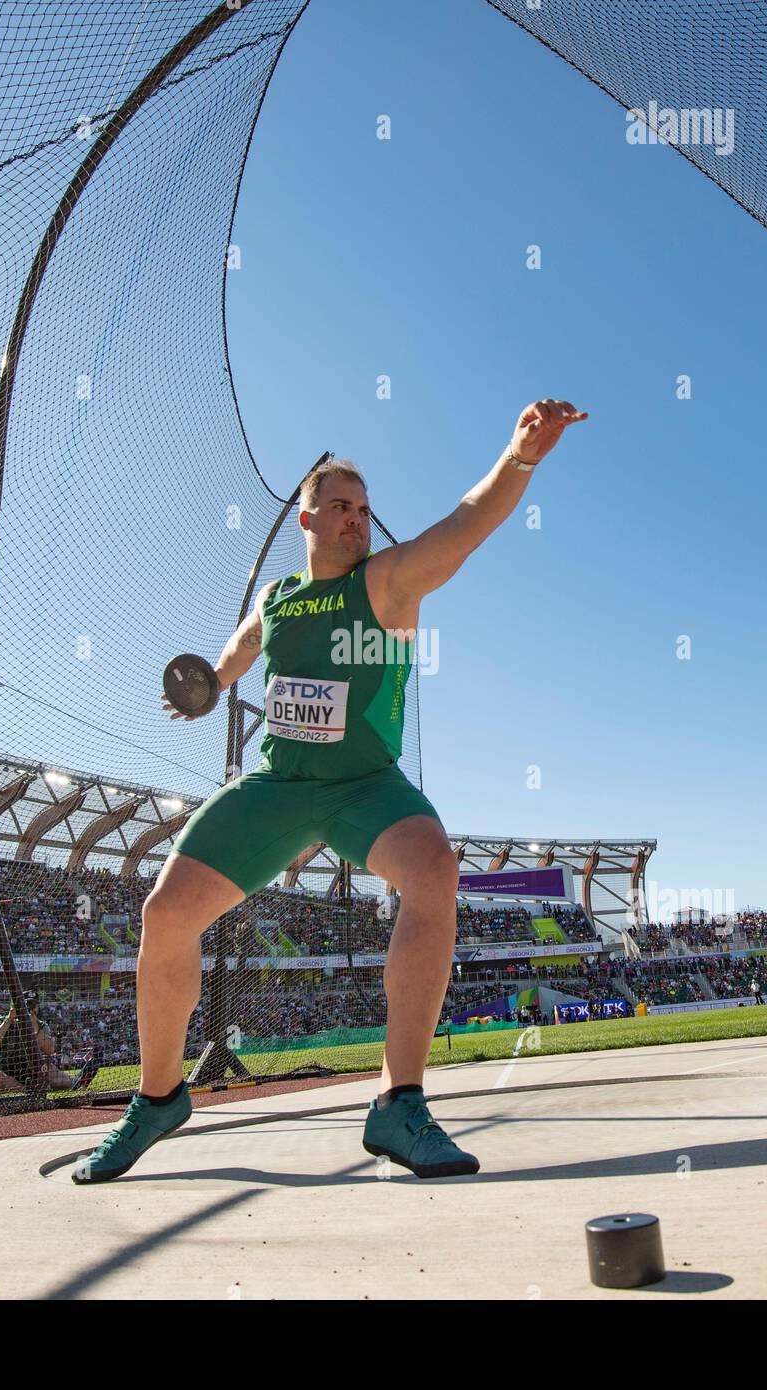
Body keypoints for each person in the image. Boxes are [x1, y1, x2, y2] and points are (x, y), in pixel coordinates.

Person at [73, 399, 588, 1185]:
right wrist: (211, 679)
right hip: (281, 784)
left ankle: (398, 1102)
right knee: (164, 913)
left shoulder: (386, 583)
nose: (357, 519)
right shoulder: (279, 597)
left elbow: (465, 526)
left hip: (363, 786)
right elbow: (248, 642)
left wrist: (520, 457)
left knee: (434, 871)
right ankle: (158, 1097)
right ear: (307, 519)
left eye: (365, 508)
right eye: (341, 507)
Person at [0, 992, 79, 1093]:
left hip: (27, 1071)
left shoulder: (41, 1025)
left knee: (52, 1070)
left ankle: (75, 1082)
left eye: (33, 1006)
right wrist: (9, 1019)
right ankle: (30, 1090)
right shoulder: (1, 1020)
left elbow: (50, 1051)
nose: (30, 1010)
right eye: (27, 1006)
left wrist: (35, 1029)